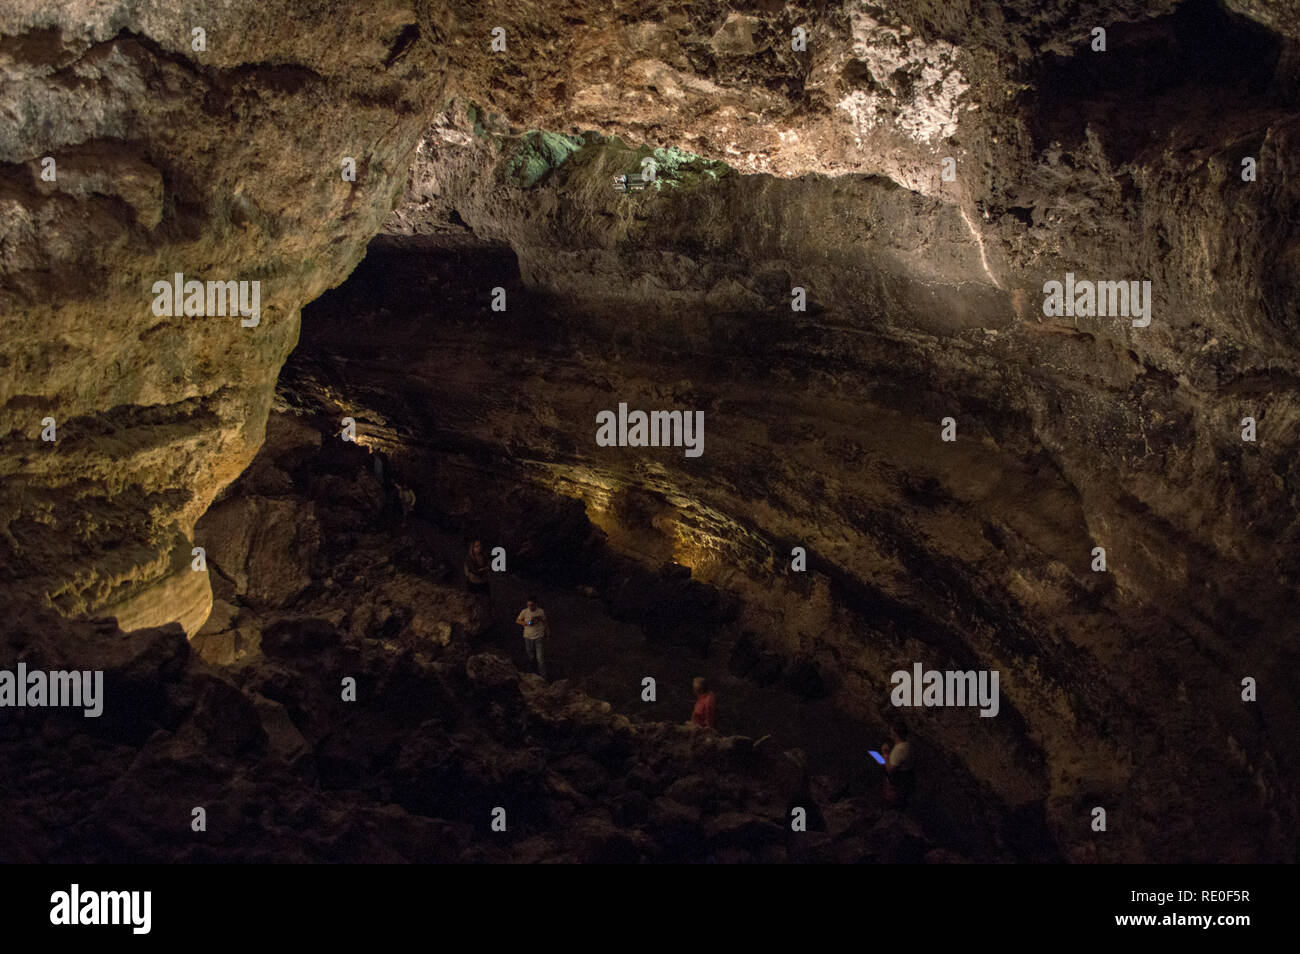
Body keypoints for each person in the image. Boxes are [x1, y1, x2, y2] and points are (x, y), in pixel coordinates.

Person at [880, 722, 915, 808]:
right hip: (907, 778)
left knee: (893, 801)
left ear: (895, 734)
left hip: (897, 782)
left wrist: (885, 754)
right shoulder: (908, 744)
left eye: (891, 732)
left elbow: (890, 769)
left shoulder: (899, 751)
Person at [515, 596, 548, 679]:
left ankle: (543, 676)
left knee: (540, 657)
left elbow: (545, 621)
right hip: (528, 637)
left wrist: (547, 632)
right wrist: (527, 623)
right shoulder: (524, 612)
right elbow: (518, 620)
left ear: (536, 604)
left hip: (539, 636)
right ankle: (532, 673)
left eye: (532, 605)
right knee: (530, 656)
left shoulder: (540, 611)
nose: (530, 607)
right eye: (528, 605)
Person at [464, 540, 492, 609]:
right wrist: (483, 569)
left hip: (483, 580)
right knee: (474, 599)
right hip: (474, 582)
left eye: (480, 546)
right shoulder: (470, 558)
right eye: (477, 546)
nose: (479, 548)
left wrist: (487, 568)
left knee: (486, 598)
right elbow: (474, 570)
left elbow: (488, 565)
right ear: (472, 548)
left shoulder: (484, 555)